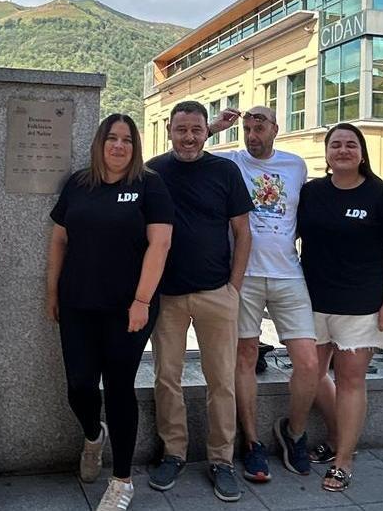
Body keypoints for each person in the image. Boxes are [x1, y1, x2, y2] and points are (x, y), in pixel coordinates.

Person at [45, 114, 175, 511]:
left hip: (128, 308)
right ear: (99, 143)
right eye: (112, 138)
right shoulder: (78, 184)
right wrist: (52, 292)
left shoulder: (149, 185)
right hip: (77, 303)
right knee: (79, 387)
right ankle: (92, 435)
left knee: (119, 389)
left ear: (135, 147)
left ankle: (121, 480)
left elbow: (160, 245)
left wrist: (142, 301)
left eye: (127, 140)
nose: (119, 146)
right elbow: (59, 240)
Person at [146, 100, 253, 503]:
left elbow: (243, 232)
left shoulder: (225, 171)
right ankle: (173, 453)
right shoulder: (153, 171)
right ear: (169, 131)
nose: (188, 137)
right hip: (167, 296)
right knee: (166, 377)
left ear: (206, 131)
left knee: (221, 380)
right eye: (181, 130)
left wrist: (233, 288)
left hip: (216, 293)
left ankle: (222, 460)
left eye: (196, 130)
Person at [207, 106, 319, 482]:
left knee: (308, 362)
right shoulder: (231, 162)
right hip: (245, 274)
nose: (252, 135)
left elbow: (297, 217)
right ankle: (252, 441)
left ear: (275, 128)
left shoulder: (296, 165)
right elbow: (186, 147)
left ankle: (294, 433)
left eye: (260, 127)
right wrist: (215, 126)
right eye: (247, 129)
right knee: (245, 356)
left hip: (288, 273)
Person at [296, 123, 383, 493]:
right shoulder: (311, 192)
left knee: (349, 379)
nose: (342, 150)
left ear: (362, 153)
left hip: (361, 306)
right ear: (327, 153)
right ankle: (334, 437)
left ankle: (344, 460)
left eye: (350, 144)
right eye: (335, 145)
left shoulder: (382, 195)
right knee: (311, 374)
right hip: (311, 301)